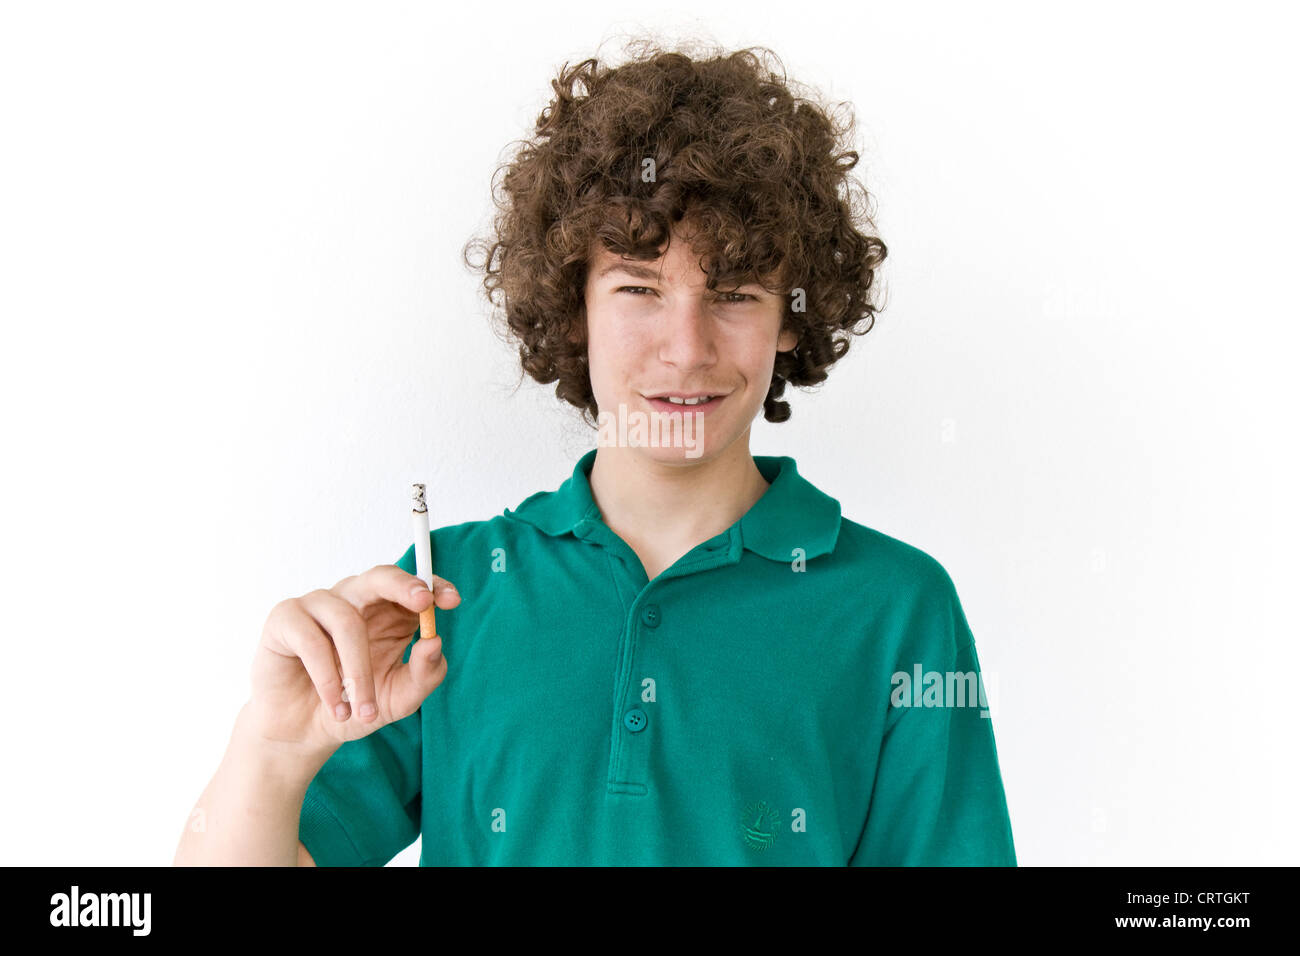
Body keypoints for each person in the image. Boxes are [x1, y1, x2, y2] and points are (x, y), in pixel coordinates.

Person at [174, 39, 1015, 867]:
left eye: (732, 294)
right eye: (640, 289)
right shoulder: (449, 593)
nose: (686, 349)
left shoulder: (899, 610)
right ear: (570, 304)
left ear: (792, 317)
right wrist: (275, 749)